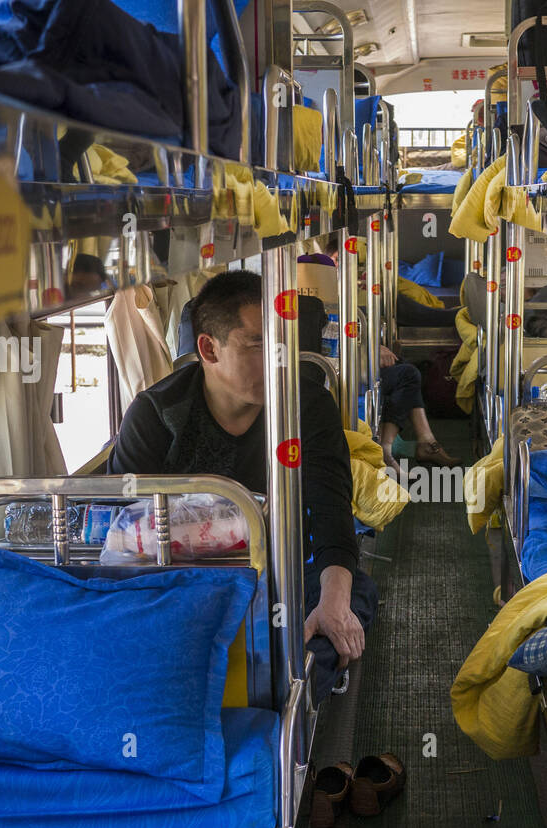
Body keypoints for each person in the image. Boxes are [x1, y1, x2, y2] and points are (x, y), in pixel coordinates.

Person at [106, 270, 377, 704]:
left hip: (278, 580)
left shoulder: (307, 405)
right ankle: (263, 690)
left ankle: (286, 694)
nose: (278, 359)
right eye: (258, 345)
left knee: (349, 595)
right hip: (182, 586)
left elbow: (331, 514)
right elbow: (122, 536)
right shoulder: (157, 415)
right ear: (208, 349)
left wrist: (333, 601)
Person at [377, 340, 458, 469]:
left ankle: (426, 441)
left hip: (357, 355)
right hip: (351, 363)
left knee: (403, 365)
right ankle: (386, 451)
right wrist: (373, 349)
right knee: (409, 375)